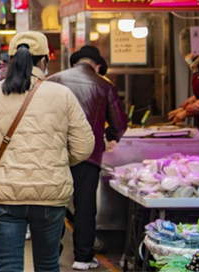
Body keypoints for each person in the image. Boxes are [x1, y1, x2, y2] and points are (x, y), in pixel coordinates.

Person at [0, 31, 95, 272]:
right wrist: (57, 161)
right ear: (44, 61)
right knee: (48, 265)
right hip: (50, 194)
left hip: (3, 195)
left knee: (9, 266)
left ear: (10, 60)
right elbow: (84, 146)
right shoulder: (62, 94)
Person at [49, 45, 128, 270]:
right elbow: (120, 127)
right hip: (88, 154)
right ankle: (83, 258)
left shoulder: (53, 81)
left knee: (55, 203)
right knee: (85, 207)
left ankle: (52, 253)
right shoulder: (105, 85)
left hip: (55, 153)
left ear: (75, 62)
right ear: (98, 66)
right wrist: (107, 137)